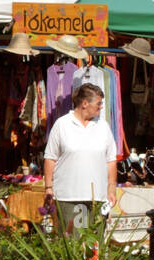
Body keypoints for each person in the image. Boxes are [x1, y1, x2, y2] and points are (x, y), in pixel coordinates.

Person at [43, 83, 117, 233]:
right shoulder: (62, 124)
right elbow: (50, 158)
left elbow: (111, 160)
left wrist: (111, 188)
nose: (101, 107)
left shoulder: (103, 127)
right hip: (68, 197)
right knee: (72, 244)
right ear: (84, 103)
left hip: (98, 198)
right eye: (98, 103)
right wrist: (48, 187)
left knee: (95, 246)